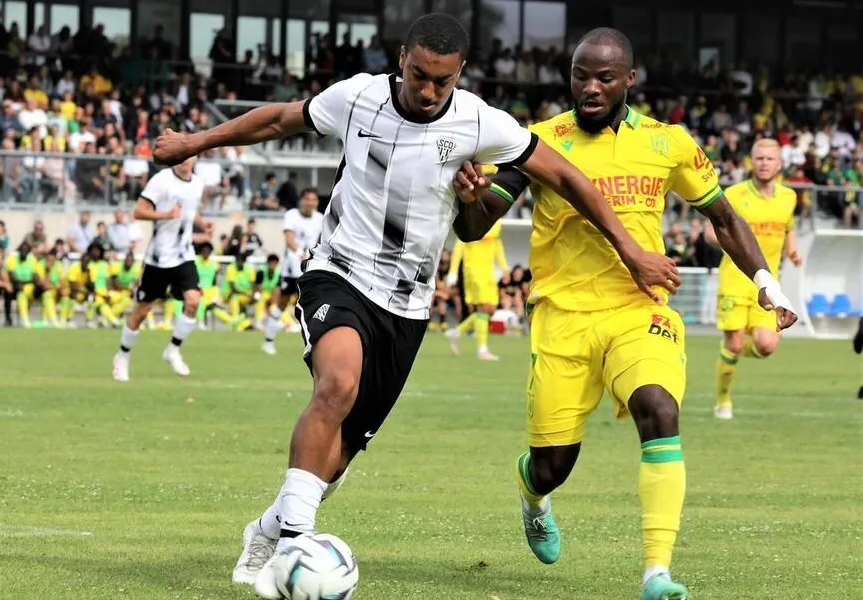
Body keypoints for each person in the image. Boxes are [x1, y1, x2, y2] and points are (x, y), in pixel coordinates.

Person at [154, 14, 677, 599]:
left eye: (442, 81)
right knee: (336, 384)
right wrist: (195, 141)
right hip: (339, 273)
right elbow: (280, 118)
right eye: (418, 75)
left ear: (459, 75)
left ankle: (269, 526)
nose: (428, 92)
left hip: (406, 304)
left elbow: (569, 177)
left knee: (344, 449)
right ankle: (299, 540)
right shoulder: (356, 97)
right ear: (401, 59)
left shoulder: (480, 120)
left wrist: (631, 249)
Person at [457, 28, 798, 600]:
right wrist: (469, 199)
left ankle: (656, 573)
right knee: (552, 465)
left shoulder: (667, 143)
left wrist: (766, 280)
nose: (590, 88)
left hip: (640, 309)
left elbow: (723, 215)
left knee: (659, 409)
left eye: (604, 78)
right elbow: (474, 226)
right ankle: (533, 495)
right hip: (563, 320)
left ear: (629, 80)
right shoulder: (536, 141)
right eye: (580, 75)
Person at [713, 139, 801, 419]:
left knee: (766, 346)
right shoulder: (735, 194)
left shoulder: (789, 197)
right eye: (759, 158)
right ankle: (723, 401)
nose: (764, 163)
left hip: (768, 286)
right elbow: (718, 226)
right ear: (752, 162)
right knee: (735, 343)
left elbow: (788, 227)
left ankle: (732, 350)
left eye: (769, 159)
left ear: (779, 164)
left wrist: (792, 250)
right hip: (735, 280)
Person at [112, 155, 212, 382]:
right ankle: (122, 356)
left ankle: (173, 349)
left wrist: (201, 223)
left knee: (194, 300)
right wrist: (165, 215)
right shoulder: (161, 180)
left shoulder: (198, 183)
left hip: (184, 255)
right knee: (142, 311)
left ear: (196, 158)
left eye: (190, 155)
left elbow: (190, 209)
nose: (185, 160)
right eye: (180, 155)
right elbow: (138, 211)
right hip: (158, 258)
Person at [262, 188, 324, 355]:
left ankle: (312, 344)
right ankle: (268, 340)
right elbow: (289, 240)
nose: (310, 203)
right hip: (291, 268)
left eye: (313, 200)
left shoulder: (320, 219)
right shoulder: (292, 215)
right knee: (282, 304)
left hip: (310, 269)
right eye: (307, 199)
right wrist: (300, 254)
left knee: (312, 305)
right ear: (301, 200)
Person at [445, 219, 508, 360]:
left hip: (489, 272)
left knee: (490, 309)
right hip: (474, 270)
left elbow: (496, 244)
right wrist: (453, 271)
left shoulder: (496, 221)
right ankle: (482, 350)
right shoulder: (473, 218)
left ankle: (457, 332)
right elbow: (460, 244)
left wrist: (504, 268)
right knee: (483, 308)